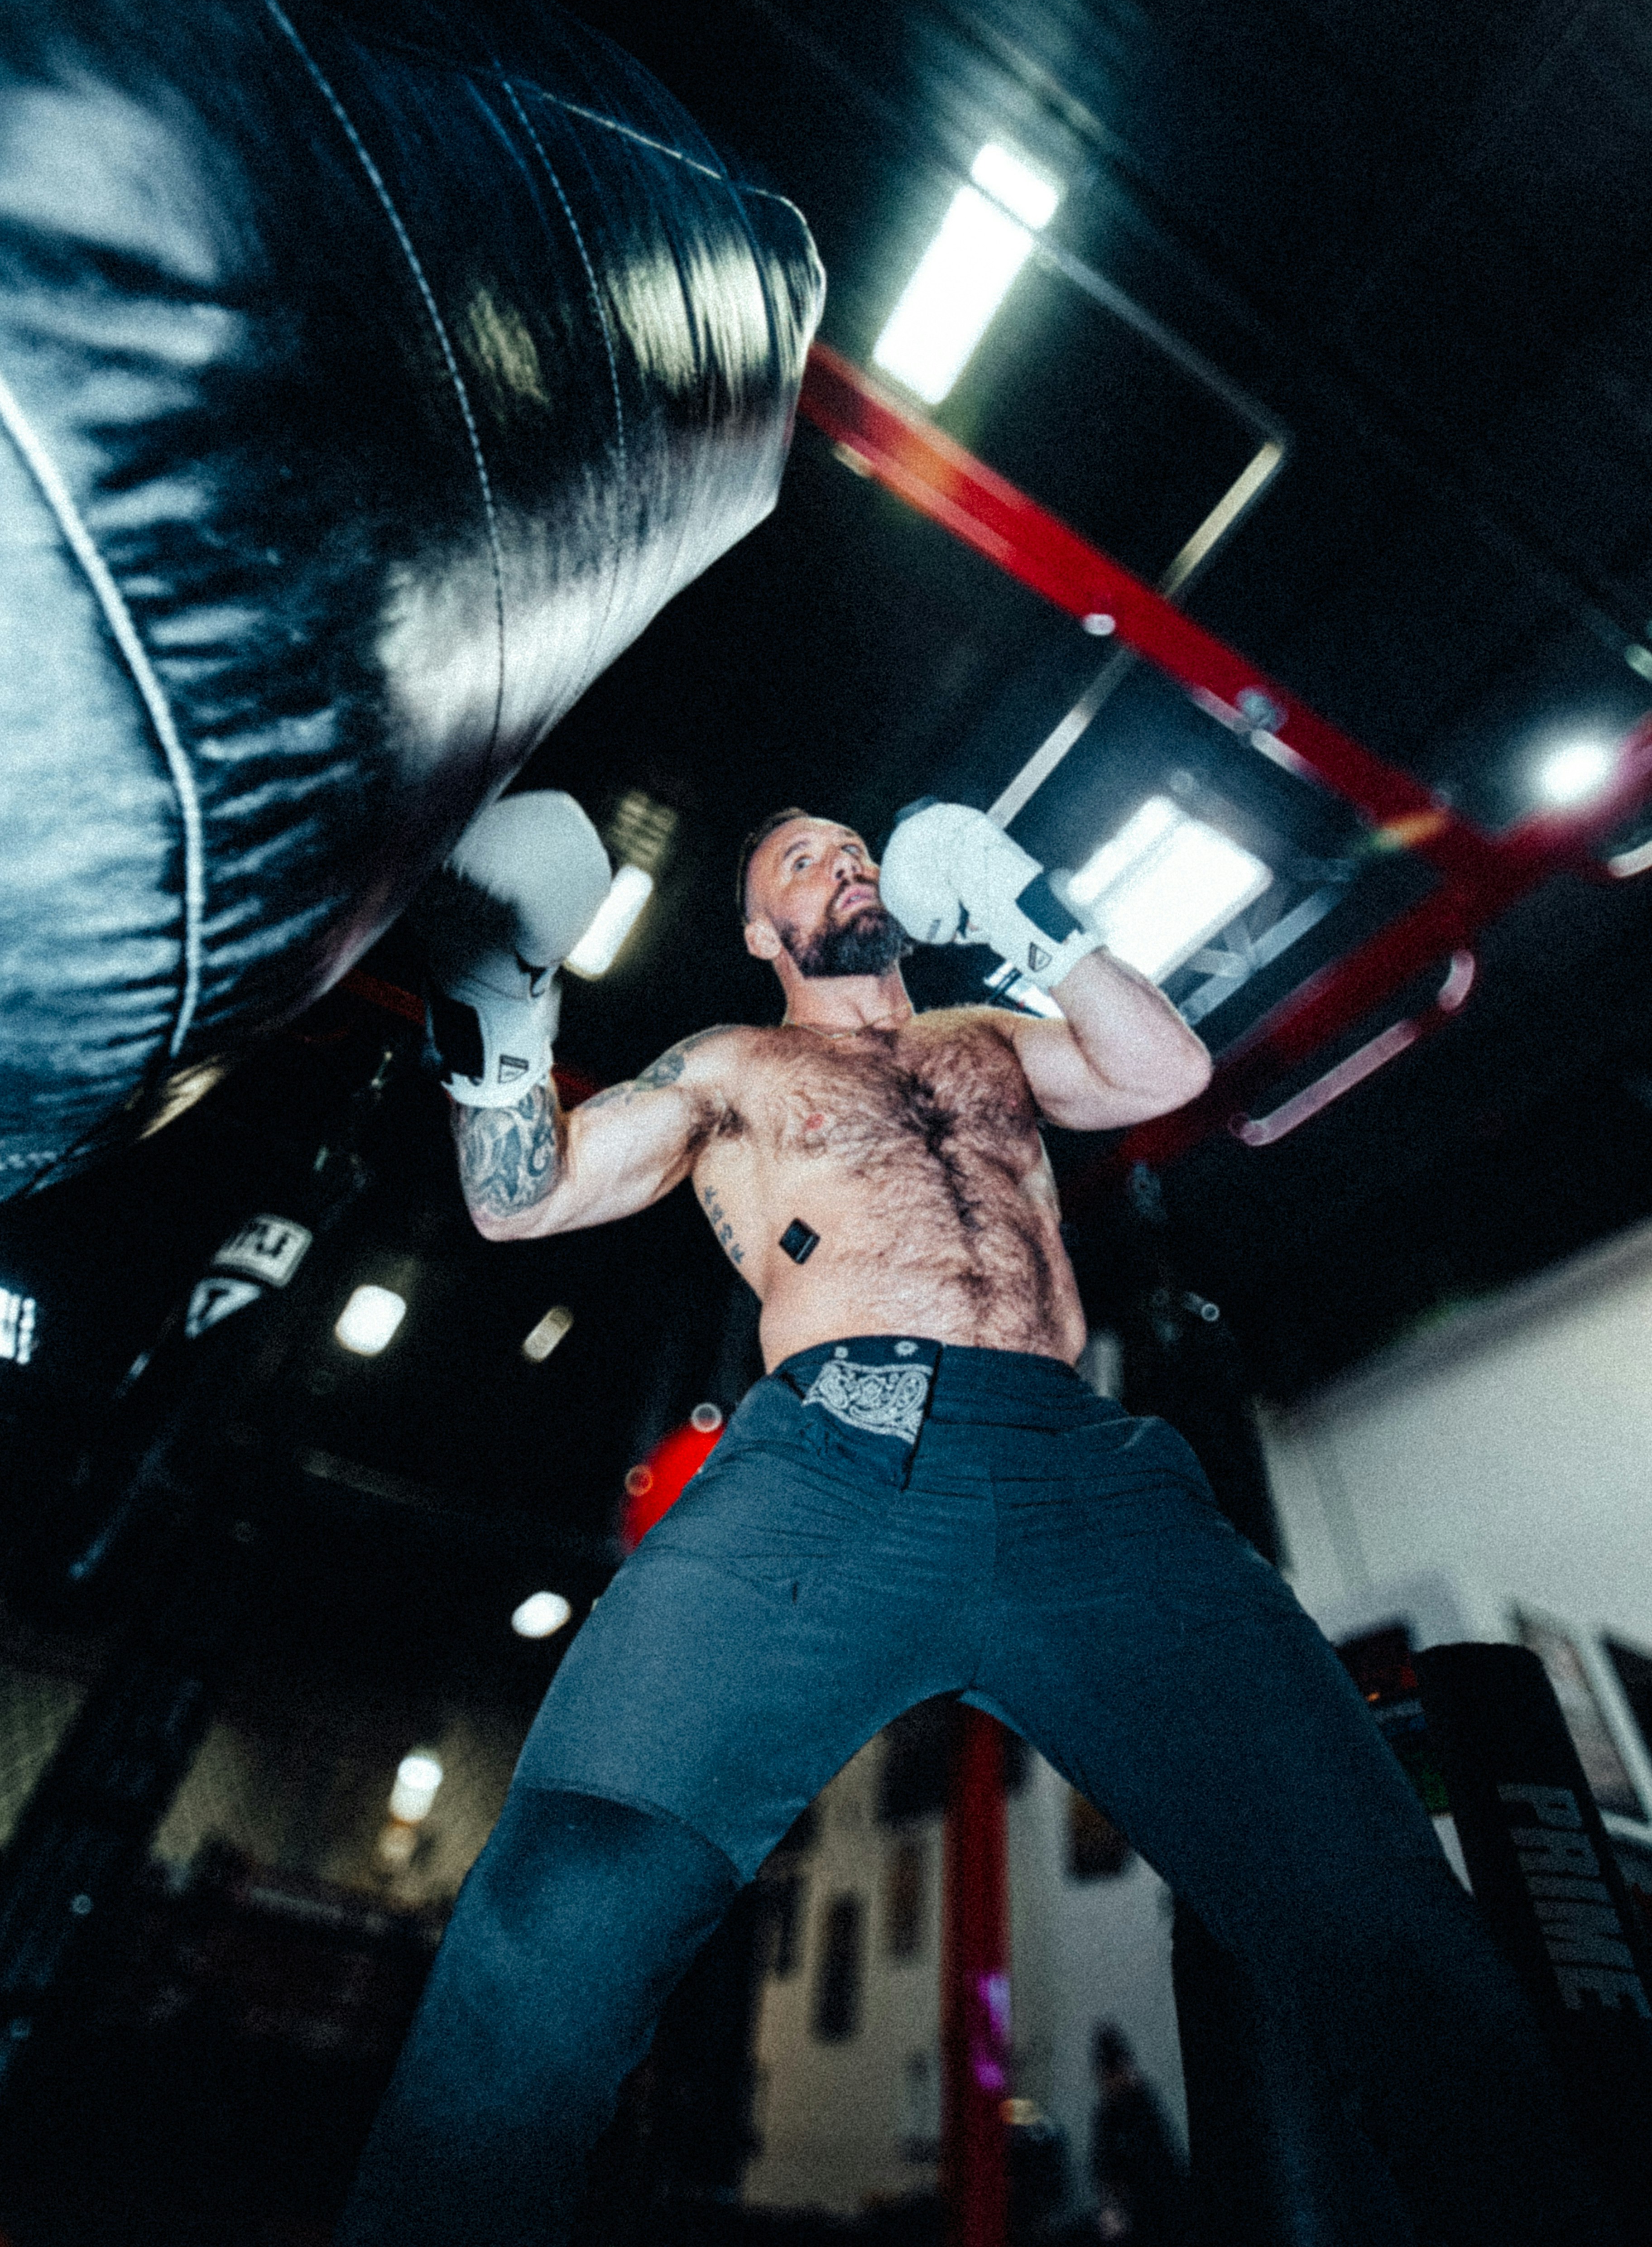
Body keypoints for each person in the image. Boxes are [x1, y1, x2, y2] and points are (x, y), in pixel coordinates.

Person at [339, 795, 1613, 2247]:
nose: (846, 865)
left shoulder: (988, 1041)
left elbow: (1164, 1065)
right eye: (803, 864)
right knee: (564, 1896)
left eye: (855, 848)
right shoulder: (733, 1062)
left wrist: (1027, 905)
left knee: (1374, 1897)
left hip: (1080, 1475)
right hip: (826, 1471)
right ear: (761, 931)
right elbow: (528, 1198)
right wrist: (497, 1014)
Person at [1088, 2024, 1188, 2246]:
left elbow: (1163, 2163)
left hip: (1159, 2207)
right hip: (1134, 2211)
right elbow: (1102, 2168)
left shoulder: (1143, 2103)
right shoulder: (1107, 2113)